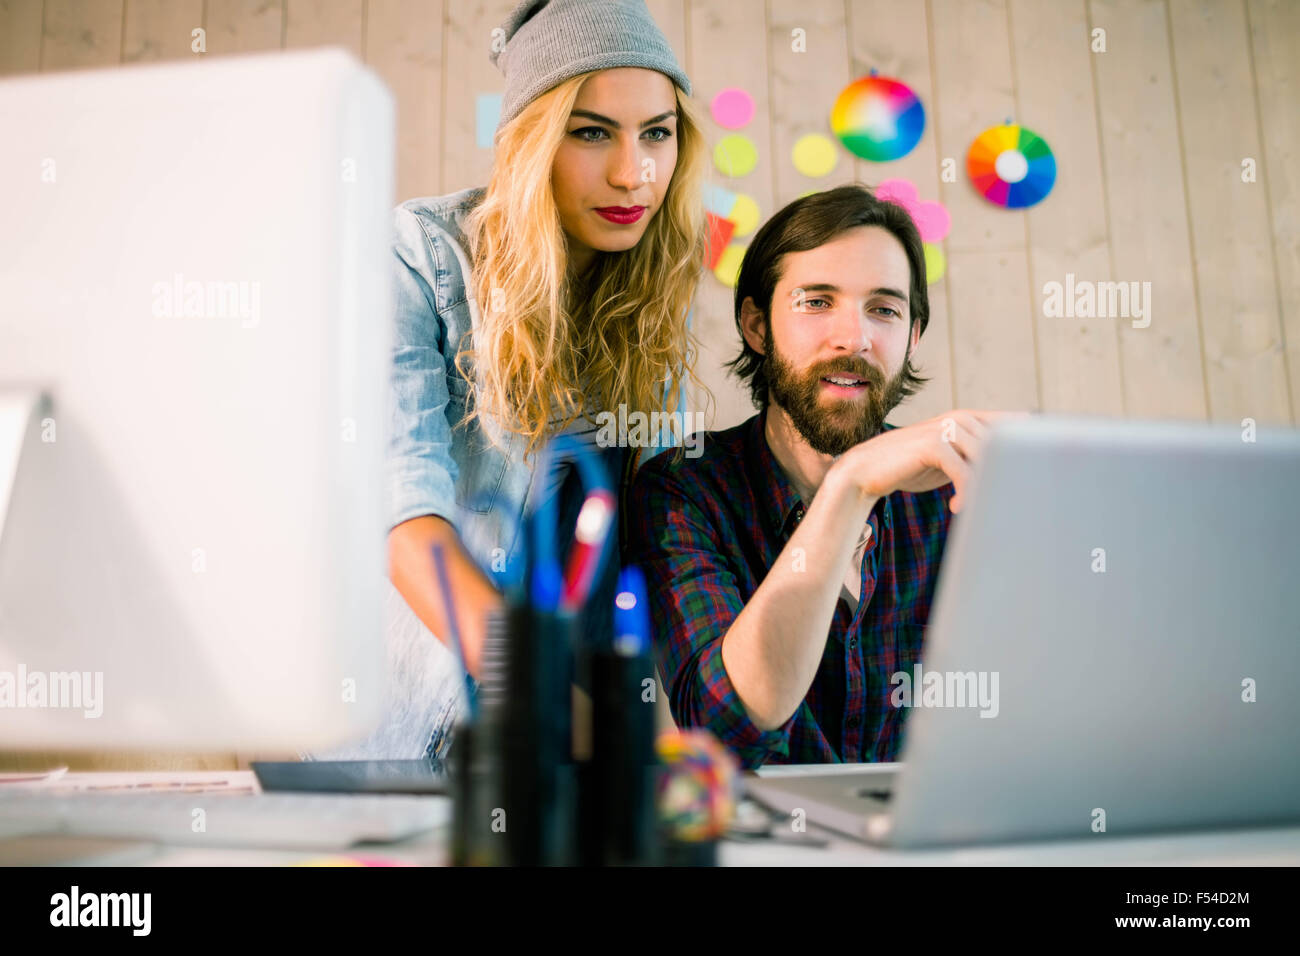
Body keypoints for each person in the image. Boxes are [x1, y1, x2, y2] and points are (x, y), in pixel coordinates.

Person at [322, 0, 710, 761]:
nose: (633, 173)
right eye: (591, 132)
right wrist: (572, 718)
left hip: (557, 746)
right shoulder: (418, 256)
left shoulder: (654, 301)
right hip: (396, 737)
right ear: (532, 142)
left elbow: (639, 558)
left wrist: (655, 747)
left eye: (656, 133)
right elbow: (408, 528)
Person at [628, 184, 1020, 769]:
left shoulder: (962, 490)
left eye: (884, 309)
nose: (853, 338)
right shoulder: (684, 490)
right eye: (816, 302)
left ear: (911, 338)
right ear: (757, 327)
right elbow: (724, 731)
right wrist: (850, 485)